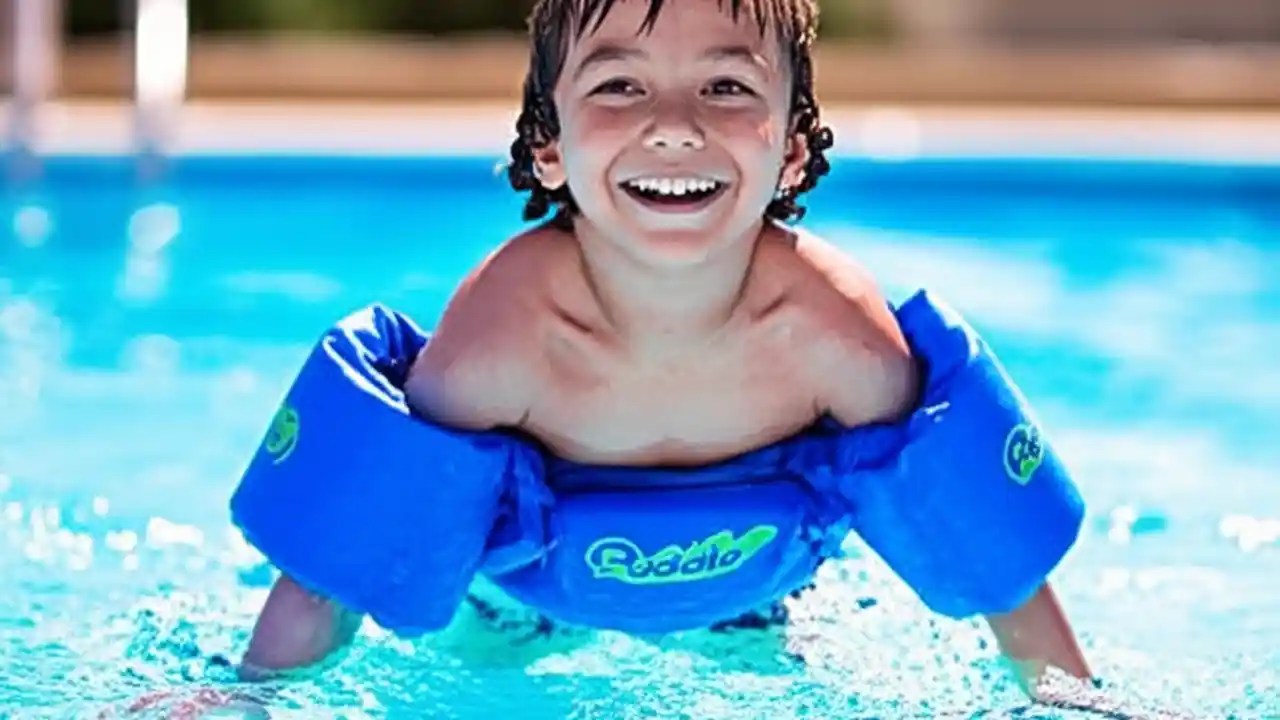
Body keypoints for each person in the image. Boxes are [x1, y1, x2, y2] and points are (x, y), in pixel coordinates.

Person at [228, 0, 1106, 711]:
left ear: (791, 149)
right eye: (619, 86)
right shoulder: (503, 336)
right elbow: (345, 561)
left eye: (726, 86)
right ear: (550, 146)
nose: (674, 126)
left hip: (758, 603)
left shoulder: (832, 330)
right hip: (520, 604)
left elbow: (983, 550)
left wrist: (1075, 703)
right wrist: (247, 698)